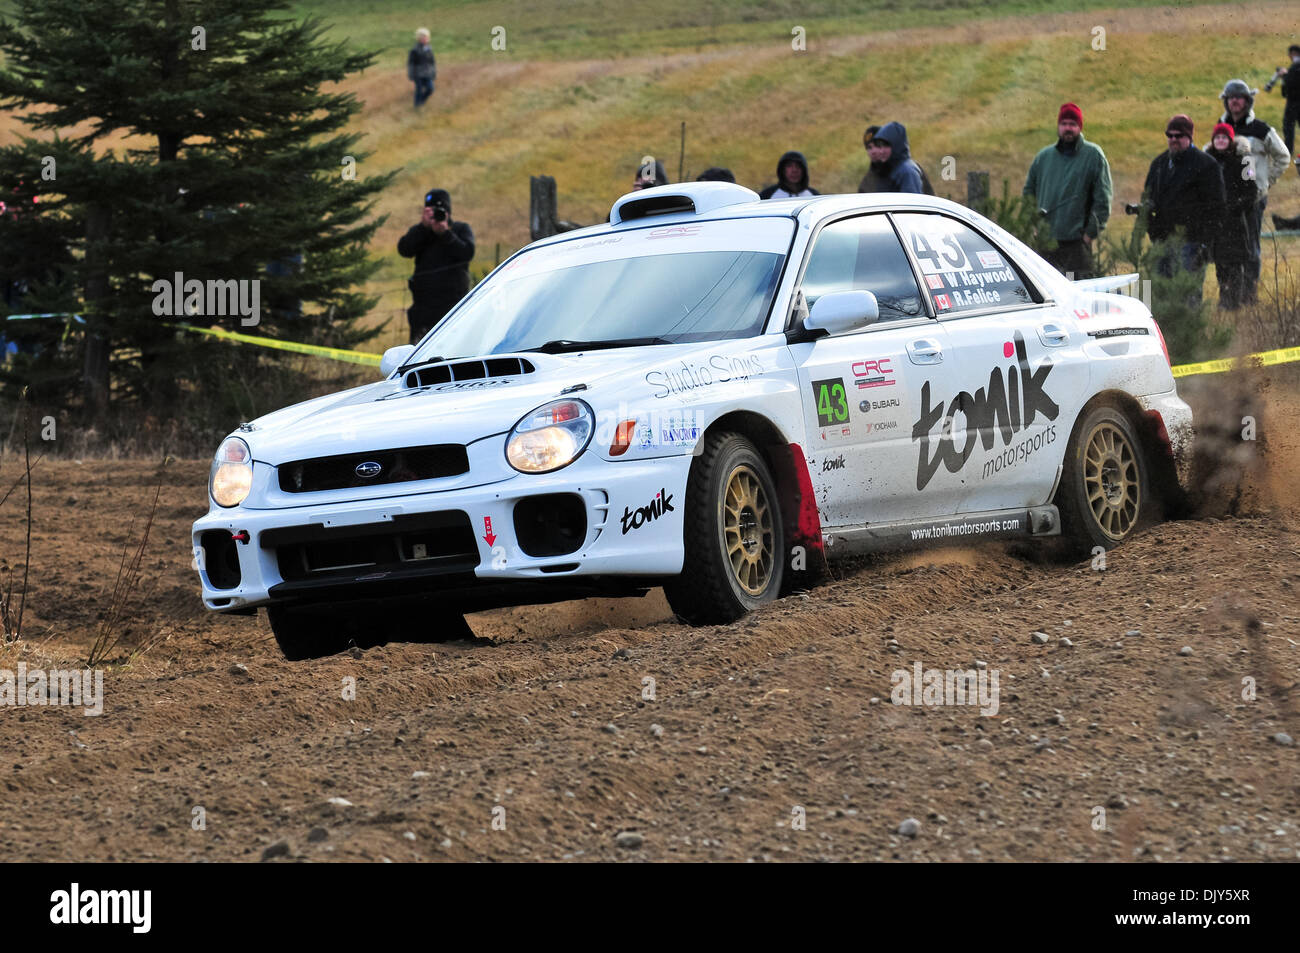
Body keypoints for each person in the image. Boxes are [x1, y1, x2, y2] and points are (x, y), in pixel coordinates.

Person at [1212, 79, 1289, 300]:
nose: (1235, 102)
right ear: (1226, 101)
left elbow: (1283, 156)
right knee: (1228, 247)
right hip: (1227, 201)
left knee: (1250, 245)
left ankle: (1249, 293)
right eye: (1231, 98)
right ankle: (1231, 293)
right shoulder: (1221, 126)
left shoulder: (1261, 129)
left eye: (1240, 98)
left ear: (1247, 101)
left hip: (1253, 199)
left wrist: (1266, 182)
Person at [1140, 115, 1226, 308]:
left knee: (1188, 300)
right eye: (1169, 135)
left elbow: (1217, 209)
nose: (1173, 139)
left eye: (1178, 135)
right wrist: (1154, 233)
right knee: (1160, 297)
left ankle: (1191, 337)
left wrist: (1204, 244)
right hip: (1163, 243)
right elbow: (1147, 200)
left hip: (1192, 244)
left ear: (1189, 137)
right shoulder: (1159, 164)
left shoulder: (1206, 165)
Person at [1022, 103, 1114, 279]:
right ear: (1058, 126)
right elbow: (1028, 194)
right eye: (1064, 124)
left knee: (1079, 295)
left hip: (1077, 245)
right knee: (1047, 295)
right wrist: (1032, 226)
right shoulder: (1043, 157)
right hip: (1045, 244)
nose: (1068, 128)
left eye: (1073, 124)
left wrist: (1089, 235)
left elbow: (1103, 199)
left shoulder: (1093, 155)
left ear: (1080, 127)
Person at [397, 188, 474, 344]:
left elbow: (467, 253)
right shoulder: (421, 232)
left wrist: (446, 233)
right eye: (431, 211)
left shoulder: (460, 229)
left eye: (440, 210)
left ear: (448, 212)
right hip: (423, 310)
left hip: (452, 309)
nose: (436, 215)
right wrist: (423, 227)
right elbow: (404, 249)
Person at [1205, 122, 1260, 310]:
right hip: (1216, 223)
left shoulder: (1246, 160)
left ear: (1231, 140)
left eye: (1224, 137)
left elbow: (1252, 192)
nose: (1220, 140)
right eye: (1217, 137)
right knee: (1220, 265)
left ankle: (1235, 302)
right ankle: (1224, 299)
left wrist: (1234, 207)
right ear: (1213, 141)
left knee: (1236, 264)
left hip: (1237, 222)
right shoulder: (1207, 161)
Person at [858, 123, 933, 195]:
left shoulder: (907, 171)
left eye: (885, 145)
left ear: (895, 145)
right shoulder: (882, 171)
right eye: (869, 148)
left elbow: (912, 205)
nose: (879, 151)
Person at [1268, 44, 1300, 157]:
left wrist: (1284, 76)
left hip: (1293, 103)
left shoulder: (1295, 67)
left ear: (1292, 54)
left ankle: (1288, 152)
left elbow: (1290, 86)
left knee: (1289, 127)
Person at [407, 28, 436, 107]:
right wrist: (411, 75)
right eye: (423, 37)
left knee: (430, 89)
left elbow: (432, 62)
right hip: (418, 74)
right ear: (419, 38)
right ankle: (417, 106)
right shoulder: (415, 50)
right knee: (419, 91)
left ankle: (421, 102)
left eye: (426, 37)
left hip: (428, 74)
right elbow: (411, 64)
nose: (425, 39)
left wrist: (433, 73)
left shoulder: (429, 49)